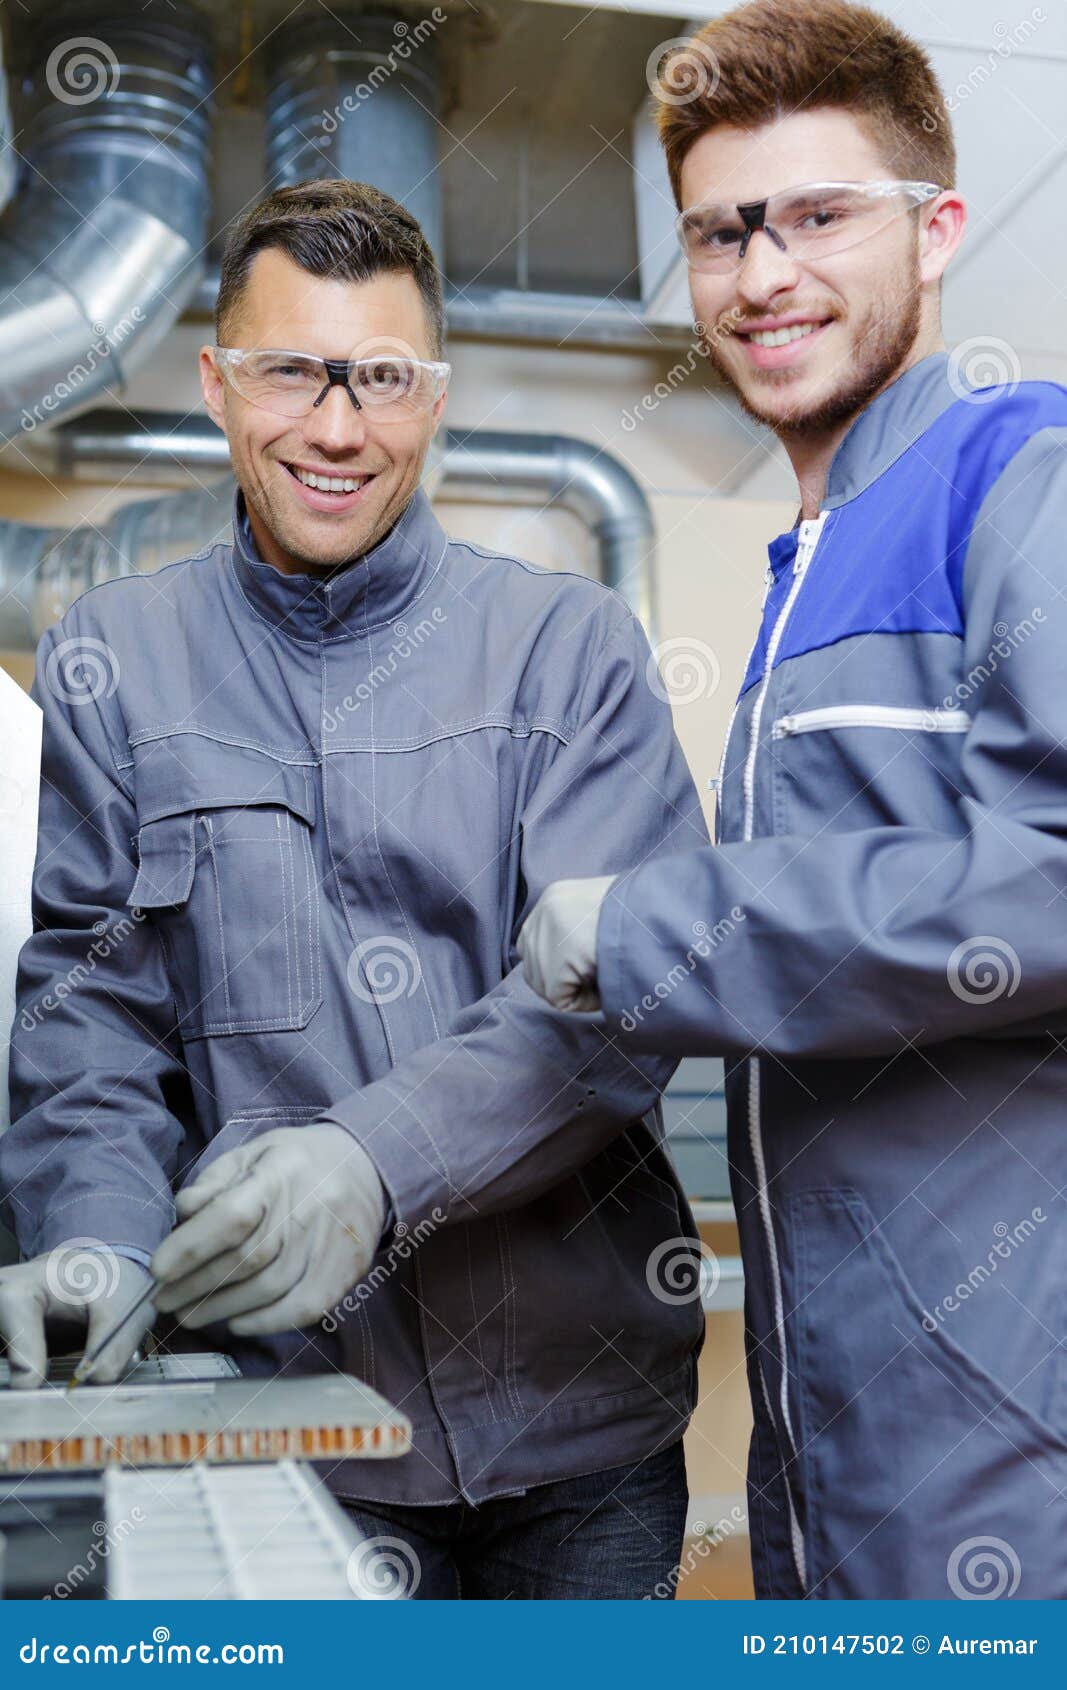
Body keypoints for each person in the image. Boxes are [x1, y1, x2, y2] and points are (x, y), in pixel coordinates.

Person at [0, 180, 709, 1599]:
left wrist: (373, 1158)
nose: (337, 427)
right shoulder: (117, 664)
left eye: (382, 377)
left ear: (432, 394)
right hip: (283, 1418)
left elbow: (618, 1002)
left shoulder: (568, 651)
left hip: (580, 1437)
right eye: (289, 373)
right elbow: (92, 1017)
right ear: (216, 383)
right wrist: (91, 1236)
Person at [518, 0, 1067, 1600]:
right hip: (845, 1425)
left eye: (820, 215)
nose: (764, 275)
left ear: (939, 228)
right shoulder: (812, 565)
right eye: (721, 231)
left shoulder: (1018, 472)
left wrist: (653, 924)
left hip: (1010, 1431)